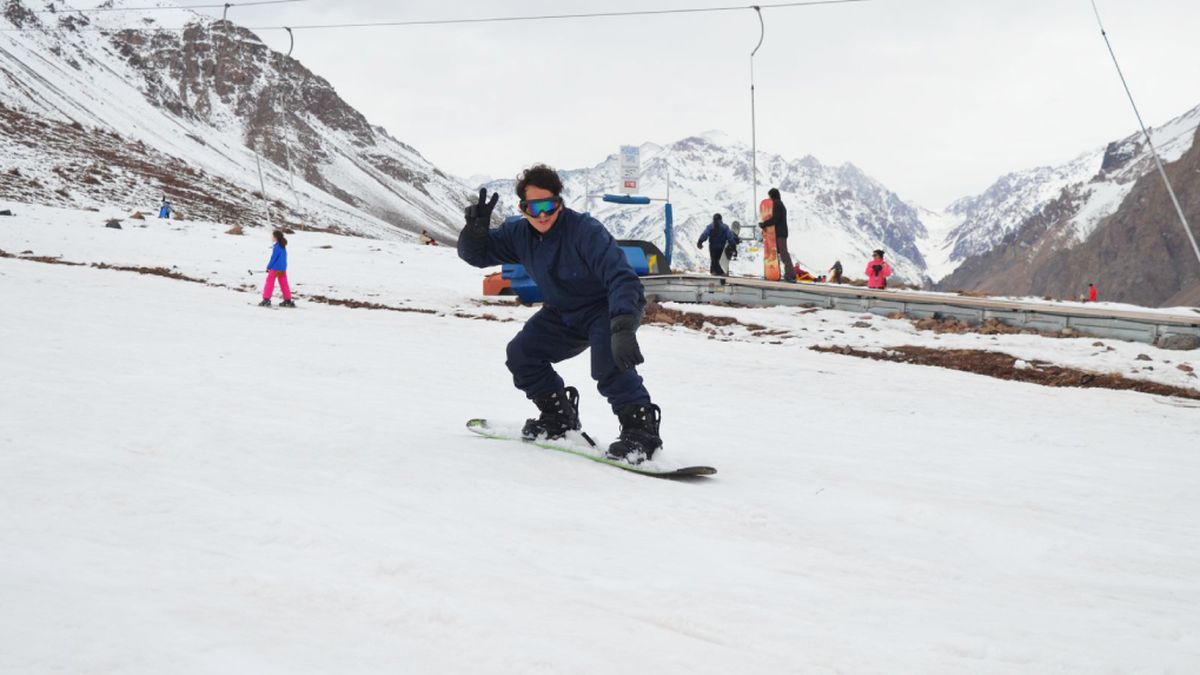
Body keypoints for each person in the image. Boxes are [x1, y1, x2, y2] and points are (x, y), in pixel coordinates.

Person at [457, 165, 662, 464]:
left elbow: (622, 277)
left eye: (549, 205)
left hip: (602, 310)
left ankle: (641, 433)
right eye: (533, 207)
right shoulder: (519, 233)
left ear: (560, 202)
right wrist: (474, 232)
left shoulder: (585, 231)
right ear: (522, 208)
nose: (542, 214)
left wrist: (623, 326)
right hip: (561, 313)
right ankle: (558, 417)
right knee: (521, 354)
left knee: (609, 364)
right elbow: (476, 255)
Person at [759, 187, 796, 281]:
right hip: (781, 232)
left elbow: (776, 218)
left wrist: (764, 224)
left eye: (770, 196)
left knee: (783, 253)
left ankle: (791, 275)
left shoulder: (777, 203)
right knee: (780, 253)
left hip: (780, 233)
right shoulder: (780, 203)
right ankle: (784, 274)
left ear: (772, 195)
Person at [260, 230, 295, 307]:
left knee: (269, 283)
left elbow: (273, 258)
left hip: (275, 268)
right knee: (284, 284)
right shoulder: (283, 246)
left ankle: (266, 300)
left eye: (272, 236)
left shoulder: (277, 247)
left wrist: (269, 267)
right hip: (282, 268)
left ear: (276, 237)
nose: (272, 238)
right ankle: (288, 300)